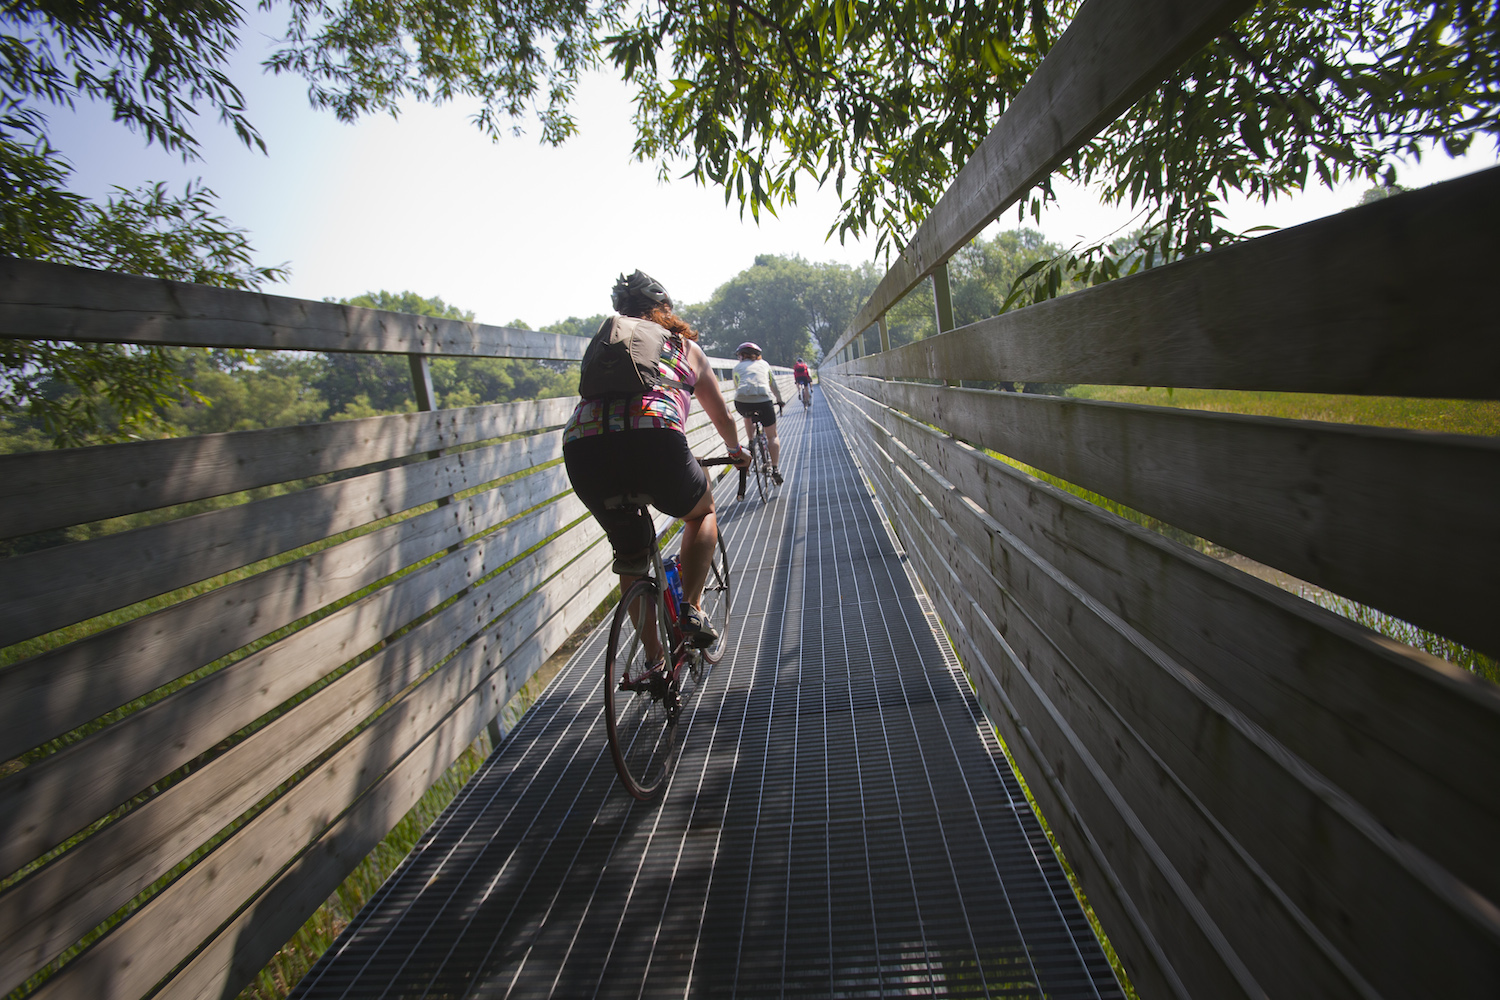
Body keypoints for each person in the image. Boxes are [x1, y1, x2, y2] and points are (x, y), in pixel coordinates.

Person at [562, 270, 750, 649]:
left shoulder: (603, 346)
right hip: (657, 438)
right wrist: (735, 452)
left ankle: (653, 660)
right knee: (701, 512)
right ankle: (692, 608)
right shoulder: (683, 347)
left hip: (583, 448)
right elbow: (722, 417)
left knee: (631, 554)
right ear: (664, 308)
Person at [731, 342, 785, 498]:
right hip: (764, 400)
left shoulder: (737, 368)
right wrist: (779, 400)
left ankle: (750, 441)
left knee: (747, 416)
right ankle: (775, 468)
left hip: (742, 401)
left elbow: (737, 386)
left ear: (741, 355)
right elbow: (773, 385)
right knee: (772, 436)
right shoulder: (764, 365)